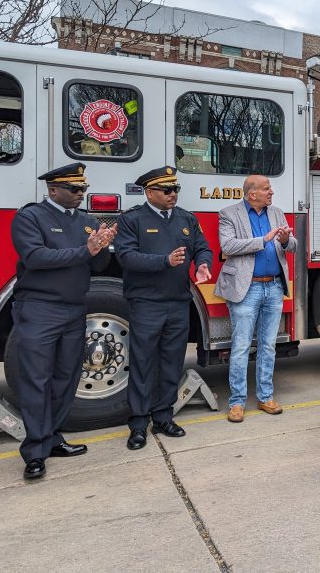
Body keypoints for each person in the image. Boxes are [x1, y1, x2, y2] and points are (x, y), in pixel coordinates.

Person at [10, 163, 116, 480]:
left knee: (65, 380)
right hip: (39, 308)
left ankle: (53, 438)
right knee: (36, 381)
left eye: (83, 189)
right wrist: (86, 250)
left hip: (74, 309)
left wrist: (102, 247)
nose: (81, 194)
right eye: (74, 189)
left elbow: (100, 265)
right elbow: (36, 258)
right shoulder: (30, 217)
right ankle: (34, 453)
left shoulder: (86, 221)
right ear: (53, 189)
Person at [116, 167, 212, 450]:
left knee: (171, 363)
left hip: (179, 302)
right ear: (149, 192)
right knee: (143, 364)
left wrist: (203, 263)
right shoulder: (132, 219)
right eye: (167, 190)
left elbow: (202, 247)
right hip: (147, 303)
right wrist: (164, 261)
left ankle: (163, 417)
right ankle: (137, 424)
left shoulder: (186, 219)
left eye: (176, 190)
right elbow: (126, 257)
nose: (173, 195)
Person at [215, 175, 297, 423]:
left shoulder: (277, 212)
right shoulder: (228, 213)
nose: (271, 192)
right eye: (266, 189)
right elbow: (227, 247)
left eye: (270, 188)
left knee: (268, 345)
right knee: (241, 347)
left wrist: (284, 239)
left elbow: (292, 245)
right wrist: (264, 240)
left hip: (273, 287)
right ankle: (237, 402)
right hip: (246, 288)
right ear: (252, 194)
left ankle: (265, 397)